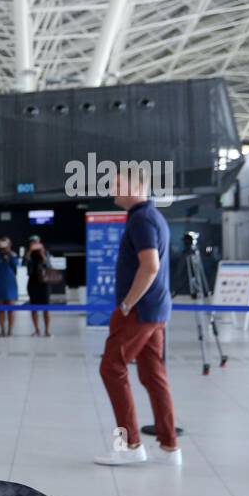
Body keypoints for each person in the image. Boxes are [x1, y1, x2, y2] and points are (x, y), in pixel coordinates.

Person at [94, 166, 181, 467]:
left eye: (117, 183)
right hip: (155, 309)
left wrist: (128, 305)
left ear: (136, 185)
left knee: (111, 368)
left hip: (141, 310)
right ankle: (170, 445)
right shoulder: (151, 216)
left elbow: (150, 266)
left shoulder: (142, 219)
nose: (112, 189)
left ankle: (130, 444)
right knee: (153, 375)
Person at [25, 235, 52, 336]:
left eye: (36, 242)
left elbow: (49, 266)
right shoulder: (29, 254)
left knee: (46, 308)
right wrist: (29, 252)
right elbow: (24, 263)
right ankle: (37, 329)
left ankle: (47, 330)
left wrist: (42, 254)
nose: (34, 244)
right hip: (33, 283)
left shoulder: (45, 252)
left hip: (44, 283)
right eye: (32, 242)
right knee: (34, 308)